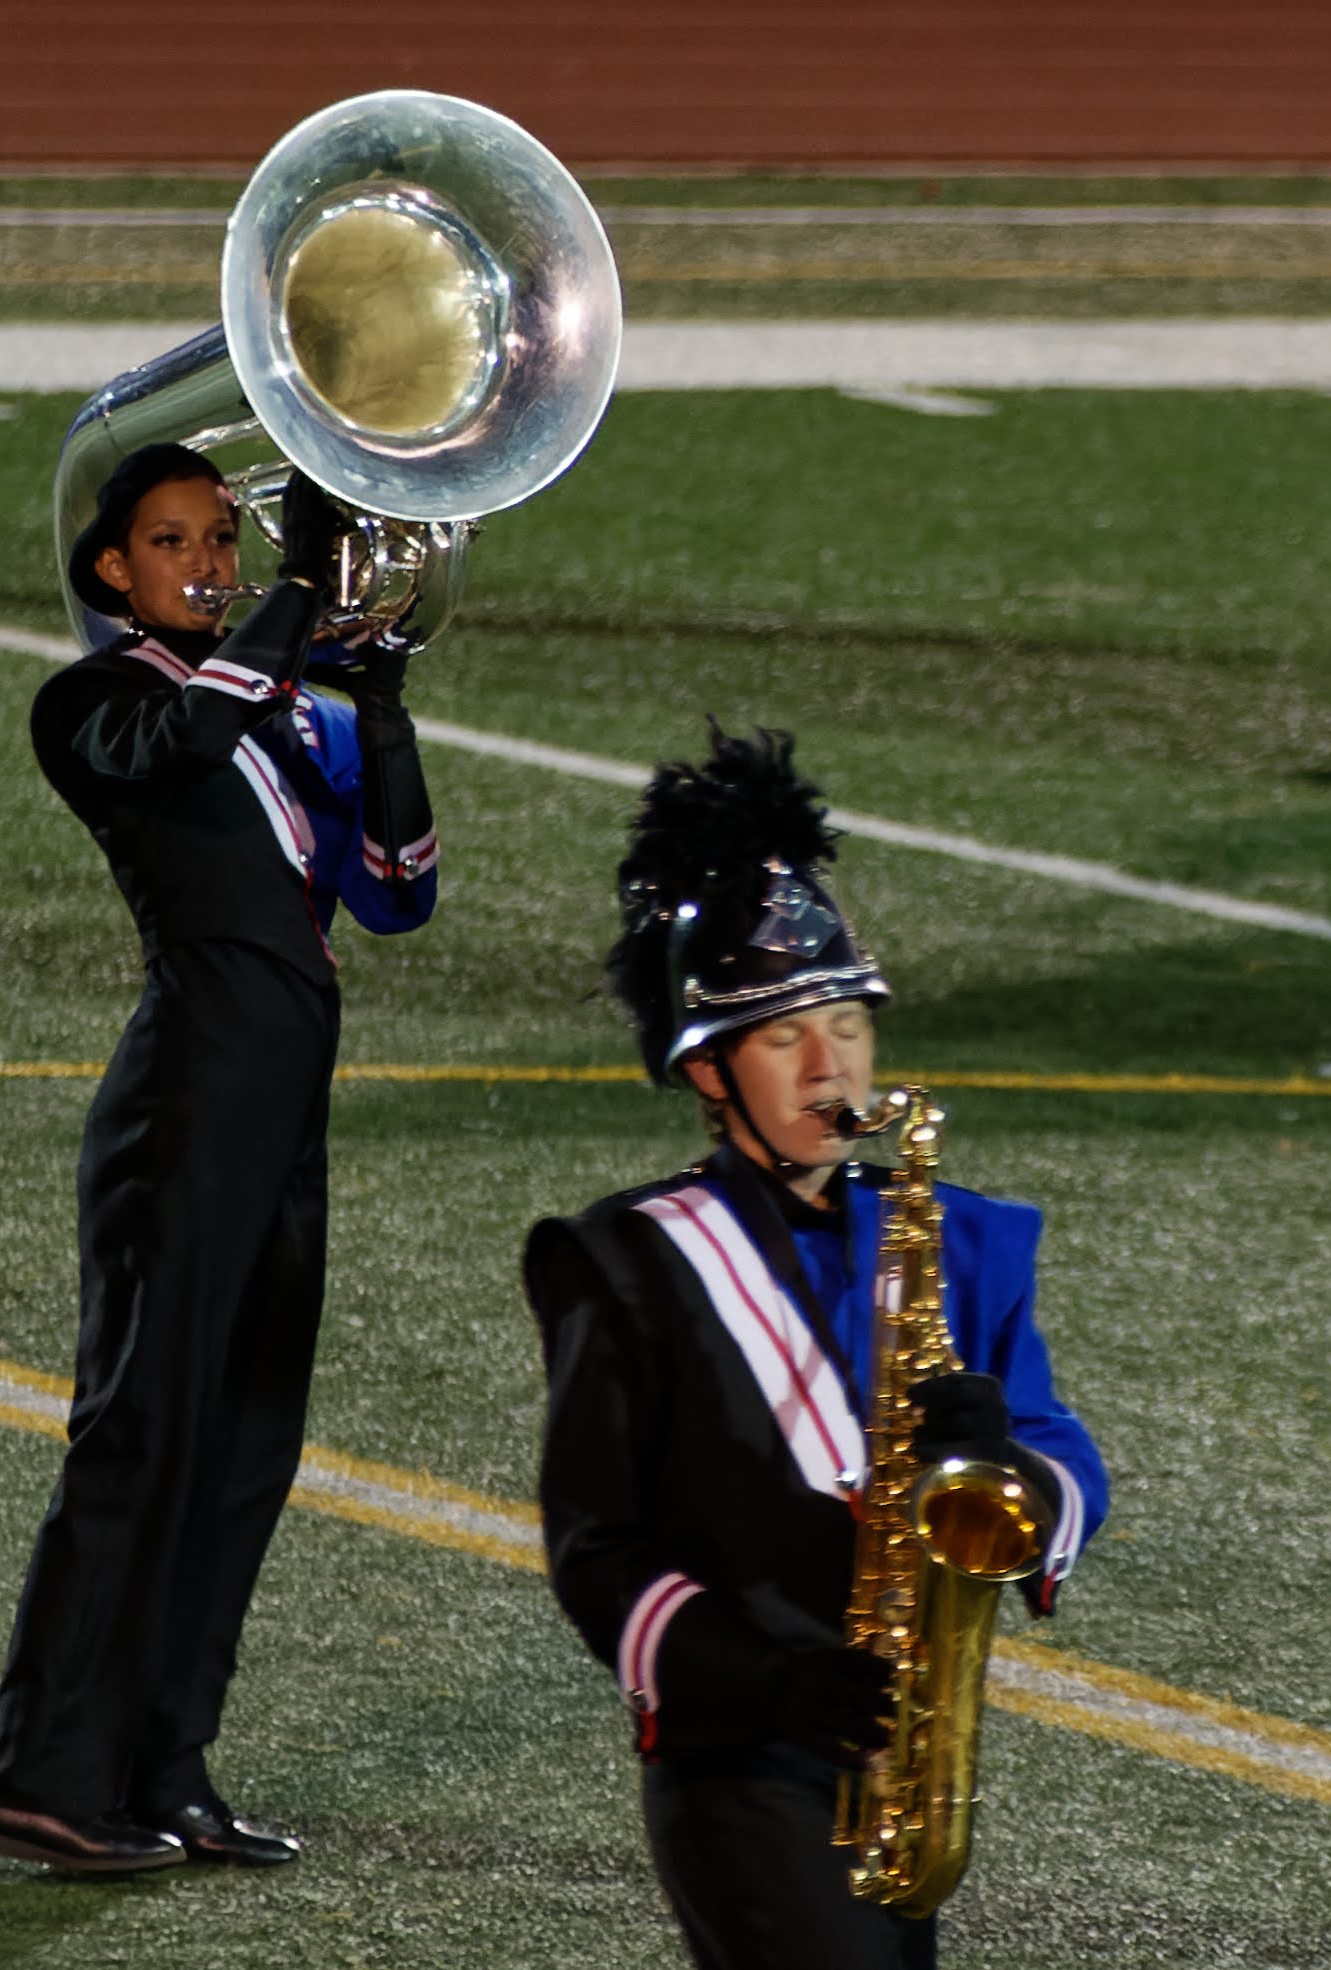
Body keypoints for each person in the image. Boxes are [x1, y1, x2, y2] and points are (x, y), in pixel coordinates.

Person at [525, 728, 1114, 1969]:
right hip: (737, 1757)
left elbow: (1063, 1448)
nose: (829, 1060)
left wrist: (1006, 1471)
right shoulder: (629, 1263)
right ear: (709, 1070)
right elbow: (597, 1553)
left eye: (846, 1021)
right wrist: (754, 1677)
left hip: (905, 1754)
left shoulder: (963, 1239)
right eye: (784, 1032)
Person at [0, 446, 440, 1872]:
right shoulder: (94, 704)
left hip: (283, 1108)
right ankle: (40, 1773)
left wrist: (386, 698)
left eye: (222, 539)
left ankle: (165, 1764)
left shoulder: (285, 717)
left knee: (243, 1453)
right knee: (144, 1437)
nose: (207, 561)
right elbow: (184, 741)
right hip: (185, 1103)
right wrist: (292, 603)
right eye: (176, 542)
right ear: (114, 570)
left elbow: (401, 891)